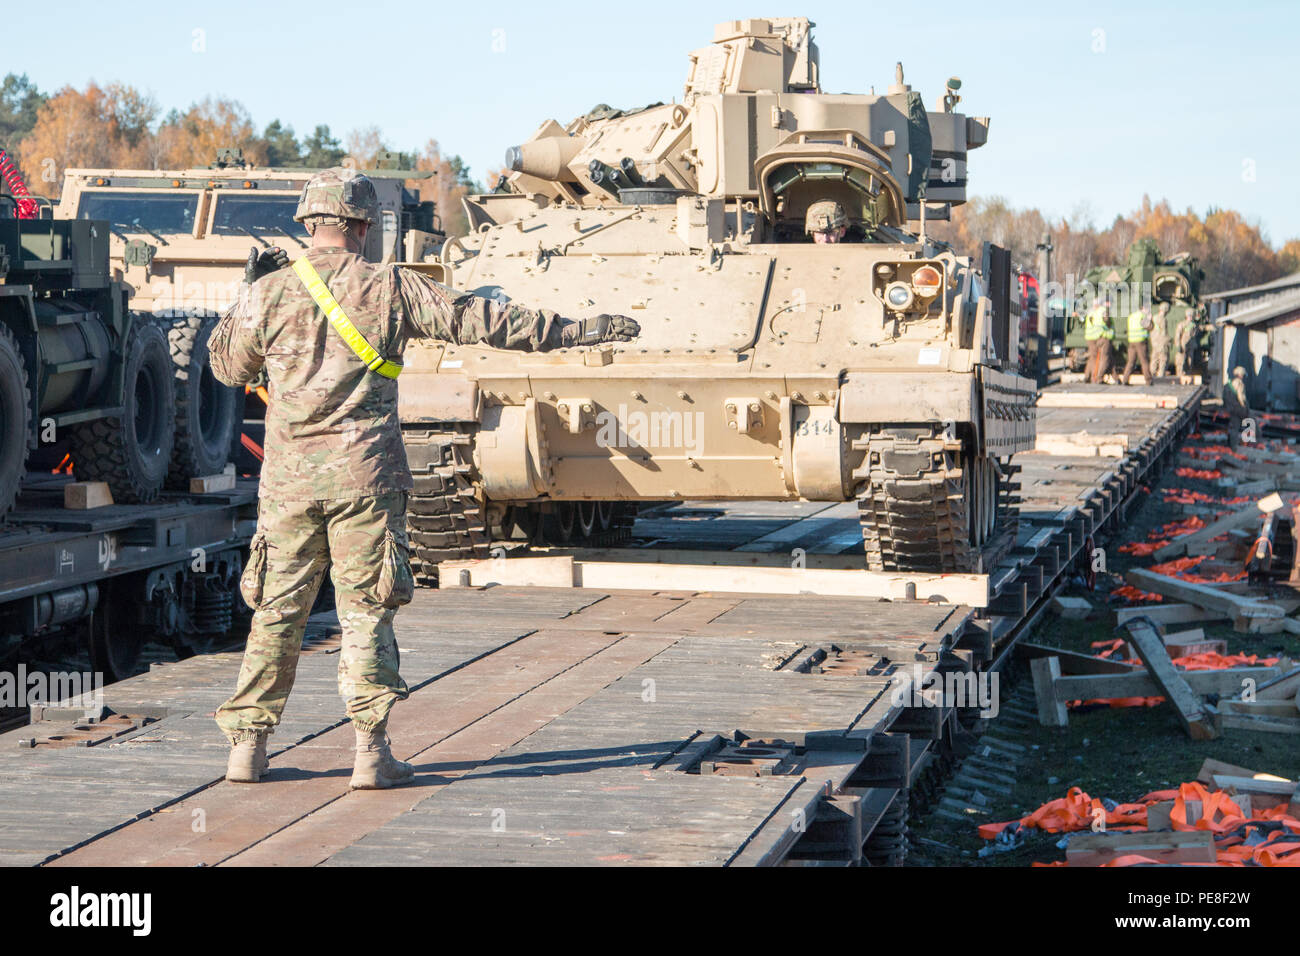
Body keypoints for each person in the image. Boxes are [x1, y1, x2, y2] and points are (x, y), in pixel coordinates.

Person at [207, 168, 639, 789]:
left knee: (277, 613)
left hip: (289, 487)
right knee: (365, 614)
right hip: (367, 480)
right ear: (363, 226)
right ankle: (369, 753)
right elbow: (481, 321)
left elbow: (227, 366)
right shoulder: (390, 288)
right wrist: (573, 331)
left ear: (309, 223)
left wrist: (247, 296)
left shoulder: (269, 293)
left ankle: (247, 749)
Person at [1121, 305, 1153, 385]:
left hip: (1132, 342)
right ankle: (1148, 380)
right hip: (1140, 342)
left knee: (1131, 361)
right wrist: (1149, 319)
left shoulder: (1131, 316)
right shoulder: (1142, 317)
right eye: (1147, 309)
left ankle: (1125, 379)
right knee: (1144, 361)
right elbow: (1150, 327)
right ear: (1143, 309)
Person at [1226, 365, 1251, 450]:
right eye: (1243, 375)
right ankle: (1237, 447)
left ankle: (1231, 445)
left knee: (1233, 427)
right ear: (1240, 375)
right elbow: (1240, 396)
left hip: (1232, 408)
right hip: (1238, 408)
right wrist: (1244, 407)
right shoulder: (1240, 383)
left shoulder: (1230, 383)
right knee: (1248, 424)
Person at [1149, 302, 1170, 378]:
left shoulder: (1154, 317)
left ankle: (1151, 374)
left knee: (1154, 358)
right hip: (1161, 342)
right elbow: (1164, 333)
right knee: (1163, 359)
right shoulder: (1163, 320)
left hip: (1154, 341)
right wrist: (1168, 341)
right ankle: (1161, 375)